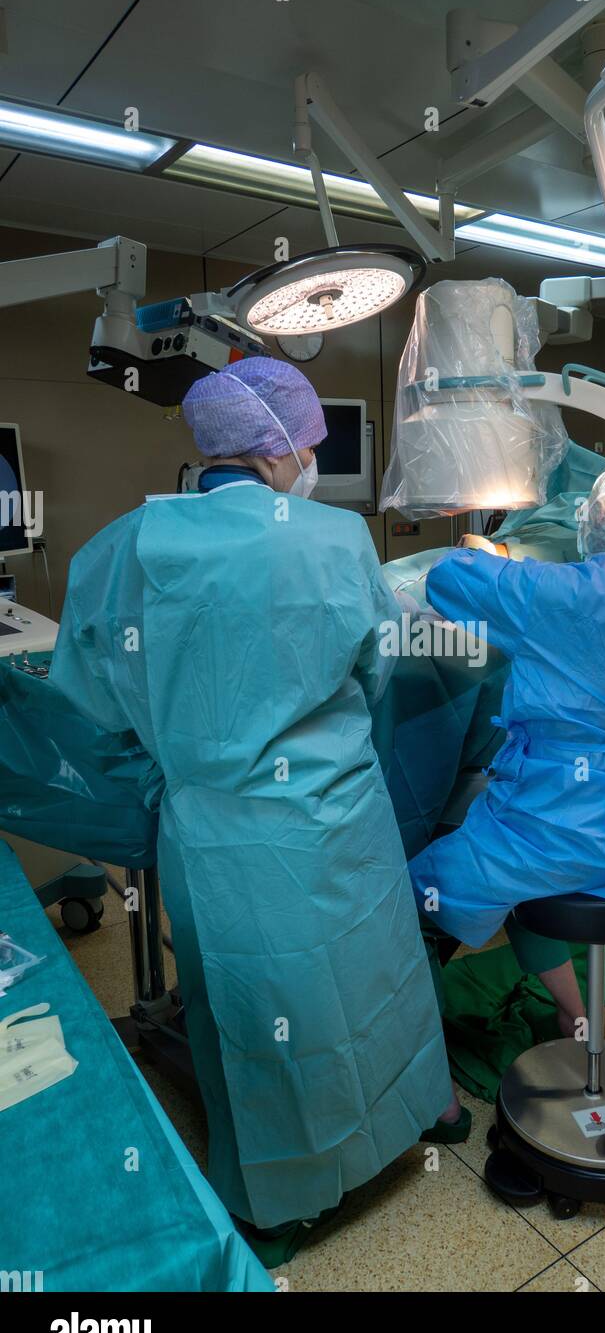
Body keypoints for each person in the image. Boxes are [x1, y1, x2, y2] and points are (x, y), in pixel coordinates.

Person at [49, 356, 455, 1260]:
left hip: (220, 834)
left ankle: (285, 1191)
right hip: (337, 817)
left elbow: (98, 698)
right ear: (277, 454)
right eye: (308, 445)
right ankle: (414, 1115)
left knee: (256, 1010)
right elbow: (376, 670)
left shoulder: (121, 549)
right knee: (370, 982)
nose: (311, 460)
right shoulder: (335, 540)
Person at [410, 456, 605, 1034]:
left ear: (594, 516)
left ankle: (424, 1073)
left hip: (562, 835)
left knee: (409, 892)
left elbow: (447, 580)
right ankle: (577, 1019)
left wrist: (493, 554)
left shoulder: (569, 594)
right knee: (519, 895)